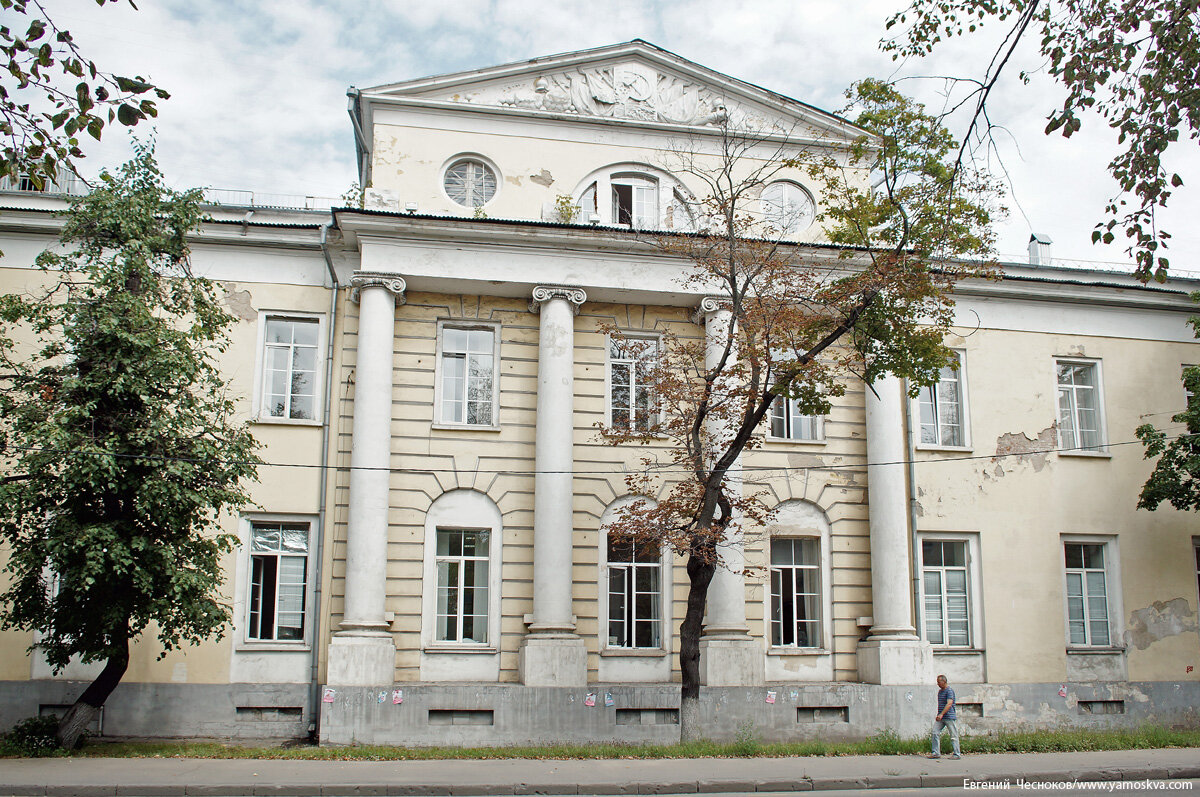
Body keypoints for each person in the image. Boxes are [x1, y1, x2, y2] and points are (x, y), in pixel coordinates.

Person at [929, 673, 961, 759]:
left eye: (939, 682)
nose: (938, 684)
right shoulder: (940, 691)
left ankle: (956, 754)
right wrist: (939, 715)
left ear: (944, 681)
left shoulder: (949, 691)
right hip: (941, 717)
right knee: (935, 732)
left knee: (953, 735)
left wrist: (942, 714)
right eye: (937, 682)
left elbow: (949, 703)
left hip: (949, 717)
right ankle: (936, 753)